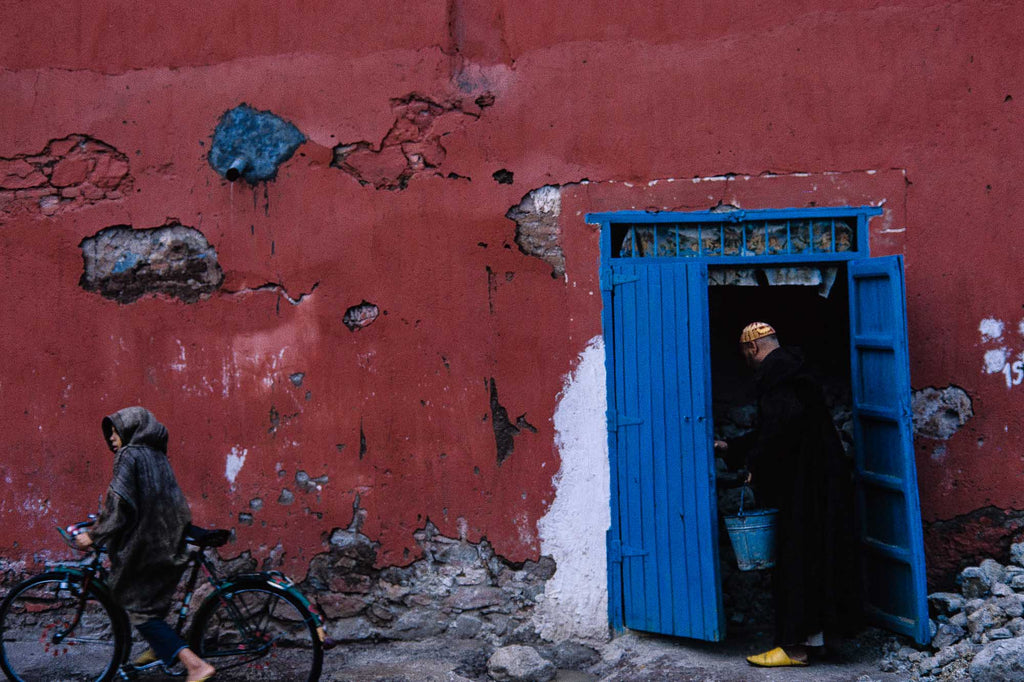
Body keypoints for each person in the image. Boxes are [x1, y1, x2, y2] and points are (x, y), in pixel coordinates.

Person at [715, 322, 860, 667]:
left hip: (807, 486)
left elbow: (781, 426)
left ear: (753, 349)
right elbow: (779, 427)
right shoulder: (795, 370)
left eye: (745, 354)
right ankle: (819, 640)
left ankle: (794, 648)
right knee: (820, 557)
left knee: (798, 560)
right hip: (823, 481)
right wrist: (733, 447)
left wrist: (756, 463)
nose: (747, 361)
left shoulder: (775, 376)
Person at [75, 407, 215, 682]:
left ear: (130, 429)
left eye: (115, 431)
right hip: (170, 536)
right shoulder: (156, 454)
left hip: (148, 543)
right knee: (153, 599)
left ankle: (195, 665)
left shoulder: (129, 455)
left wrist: (94, 535)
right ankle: (161, 647)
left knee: (137, 605)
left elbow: (120, 503)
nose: (112, 438)